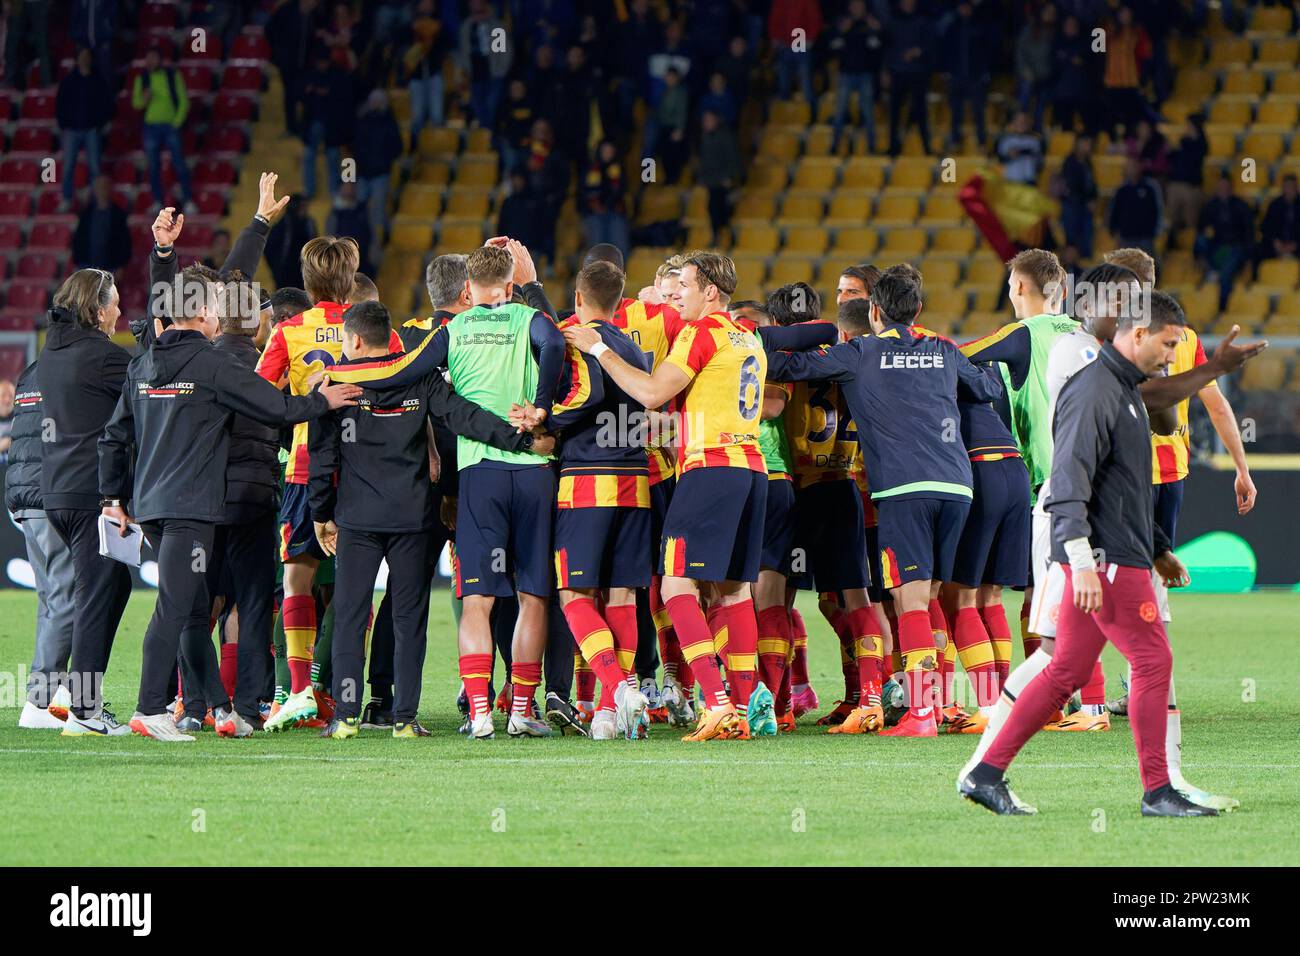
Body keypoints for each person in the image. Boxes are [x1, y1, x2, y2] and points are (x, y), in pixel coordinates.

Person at [957, 295, 1215, 818]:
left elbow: (1123, 485)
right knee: (1152, 660)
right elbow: (1071, 478)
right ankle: (1159, 790)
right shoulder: (1097, 387)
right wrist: (1081, 558)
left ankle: (986, 773)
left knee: (1062, 672)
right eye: (1168, 344)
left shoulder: (1124, 389)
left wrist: (1160, 548)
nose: (1171, 357)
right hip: (1107, 557)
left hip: (1116, 553)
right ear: (1137, 333)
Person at [98, 264, 361, 742]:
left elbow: (114, 436)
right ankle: (149, 707)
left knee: (192, 611)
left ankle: (219, 706)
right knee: (175, 607)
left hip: (151, 504)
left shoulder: (144, 363)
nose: (222, 314)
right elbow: (276, 408)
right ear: (201, 312)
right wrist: (322, 401)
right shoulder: (212, 363)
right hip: (193, 505)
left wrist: (113, 498)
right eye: (217, 306)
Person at [327, 245, 566, 740]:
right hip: (534, 469)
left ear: (467, 291)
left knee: (477, 599)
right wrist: (540, 409)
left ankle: (478, 713)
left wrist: (339, 377)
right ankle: (522, 709)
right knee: (533, 596)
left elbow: (400, 373)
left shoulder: (453, 330)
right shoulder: (528, 319)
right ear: (508, 287)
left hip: (480, 473)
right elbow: (558, 346)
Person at [763, 274, 1004, 738]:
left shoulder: (859, 352)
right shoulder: (943, 347)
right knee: (934, 598)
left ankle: (921, 716)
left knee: (908, 601)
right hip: (958, 485)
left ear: (874, 312)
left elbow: (783, 366)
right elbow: (987, 389)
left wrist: (806, 332)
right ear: (918, 308)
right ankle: (951, 704)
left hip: (902, 490)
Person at [256, 236, 403, 732]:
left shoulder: (289, 331)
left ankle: (298, 689)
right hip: (363, 473)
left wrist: (306, 404)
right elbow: (404, 390)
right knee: (354, 587)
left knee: (297, 579)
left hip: (302, 469)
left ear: (306, 280)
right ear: (351, 277)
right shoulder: (373, 329)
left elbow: (257, 395)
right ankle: (339, 695)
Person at [541, 262, 657, 740]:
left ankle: (619, 686)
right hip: (637, 481)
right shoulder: (634, 347)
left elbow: (586, 396)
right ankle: (609, 713)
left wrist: (545, 418)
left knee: (574, 594)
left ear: (578, 299)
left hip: (590, 478)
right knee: (623, 595)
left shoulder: (580, 337)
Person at [39, 270, 132, 736]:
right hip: (90, 494)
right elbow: (148, 388)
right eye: (114, 304)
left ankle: (75, 694)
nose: (120, 312)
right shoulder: (103, 358)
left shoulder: (52, 352)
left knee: (112, 588)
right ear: (97, 311)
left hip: (58, 491)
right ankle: (85, 710)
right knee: (98, 595)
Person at [7, 362, 76, 729]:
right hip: (50, 492)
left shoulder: (32, 372)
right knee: (67, 597)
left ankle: (60, 693)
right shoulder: (68, 369)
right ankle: (39, 700)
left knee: (51, 597)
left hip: (23, 493)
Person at [132, 46, 193, 208]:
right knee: (153, 167)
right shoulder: (142, 79)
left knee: (179, 164)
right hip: (150, 128)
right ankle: (157, 202)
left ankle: (188, 200)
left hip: (170, 126)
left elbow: (183, 102)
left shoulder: (173, 76)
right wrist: (144, 99)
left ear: (160, 60)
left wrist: (176, 123)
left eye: (154, 58)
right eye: (148, 58)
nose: (151, 61)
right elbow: (136, 104)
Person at [56, 48, 113, 208]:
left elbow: (106, 103)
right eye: (81, 56)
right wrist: (63, 124)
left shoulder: (98, 81)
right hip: (71, 130)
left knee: (95, 168)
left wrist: (99, 124)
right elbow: (60, 103)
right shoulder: (69, 80)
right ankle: (67, 199)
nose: (84, 59)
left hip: (91, 130)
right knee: (67, 167)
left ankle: (96, 200)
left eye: (87, 56)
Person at [829, 0, 883, 154]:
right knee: (839, 113)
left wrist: (877, 31)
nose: (857, 8)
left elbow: (878, 48)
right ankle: (834, 147)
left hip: (865, 75)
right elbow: (832, 47)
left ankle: (872, 147)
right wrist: (841, 32)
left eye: (860, 6)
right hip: (846, 75)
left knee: (868, 114)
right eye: (854, 5)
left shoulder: (870, 24)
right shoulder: (842, 23)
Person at [1194, 175, 1254, 310]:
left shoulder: (1240, 207)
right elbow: (1201, 230)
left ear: (1231, 189)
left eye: (1226, 187)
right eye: (1221, 187)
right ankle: (1207, 270)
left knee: (1226, 274)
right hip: (1217, 247)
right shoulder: (1210, 207)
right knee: (1201, 240)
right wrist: (1198, 254)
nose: (1223, 190)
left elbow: (1248, 234)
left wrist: (1249, 256)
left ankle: (1222, 306)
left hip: (1236, 248)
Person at [886, 0, 933, 156]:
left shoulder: (922, 21)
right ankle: (893, 147)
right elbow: (887, 47)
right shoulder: (892, 21)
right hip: (897, 72)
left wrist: (918, 51)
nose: (908, 3)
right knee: (894, 114)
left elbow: (931, 44)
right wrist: (885, 69)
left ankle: (927, 147)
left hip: (917, 73)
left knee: (921, 113)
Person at [72, 175, 131, 273]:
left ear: (110, 189)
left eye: (104, 187)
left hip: (111, 267)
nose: (101, 190)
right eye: (99, 187)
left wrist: (121, 266)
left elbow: (124, 242)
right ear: (95, 190)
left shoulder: (118, 214)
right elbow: (78, 239)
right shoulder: (86, 213)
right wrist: (78, 263)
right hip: (87, 267)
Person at [1107, 157, 1163, 254]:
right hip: (1126, 237)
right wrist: (1113, 231)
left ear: (1140, 166)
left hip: (1145, 238)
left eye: (1133, 166)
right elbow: (1114, 212)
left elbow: (1157, 210)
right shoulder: (1122, 190)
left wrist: (1154, 231)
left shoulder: (1150, 187)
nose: (1130, 169)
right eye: (1128, 166)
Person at [1257, 173, 1300, 267]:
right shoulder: (1275, 205)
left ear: (1296, 188)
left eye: (1291, 187)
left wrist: (1295, 244)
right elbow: (1266, 227)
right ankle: (1256, 278)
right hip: (1276, 245)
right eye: (1286, 187)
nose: (1289, 190)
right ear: (1283, 188)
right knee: (1257, 250)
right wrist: (1275, 242)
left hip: (1296, 245)